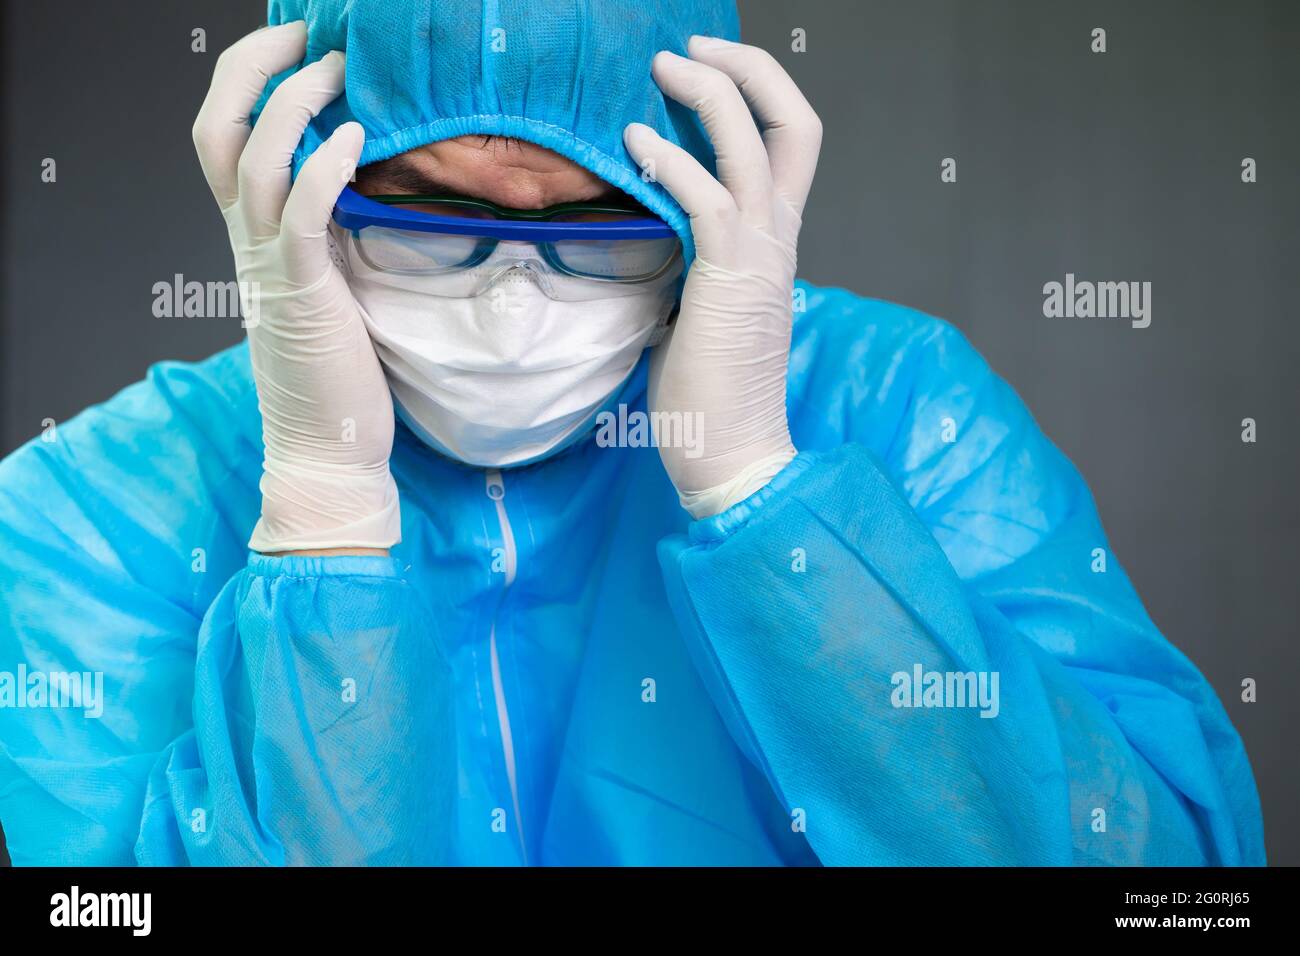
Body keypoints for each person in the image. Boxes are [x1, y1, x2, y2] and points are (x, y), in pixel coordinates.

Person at [0, 0, 1264, 866]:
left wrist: (762, 492)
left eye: (600, 220)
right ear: (292, 186)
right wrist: (324, 503)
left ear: (711, 189)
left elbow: (1174, 875)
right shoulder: (90, 515)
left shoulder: (898, 411)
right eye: (426, 212)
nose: (510, 298)